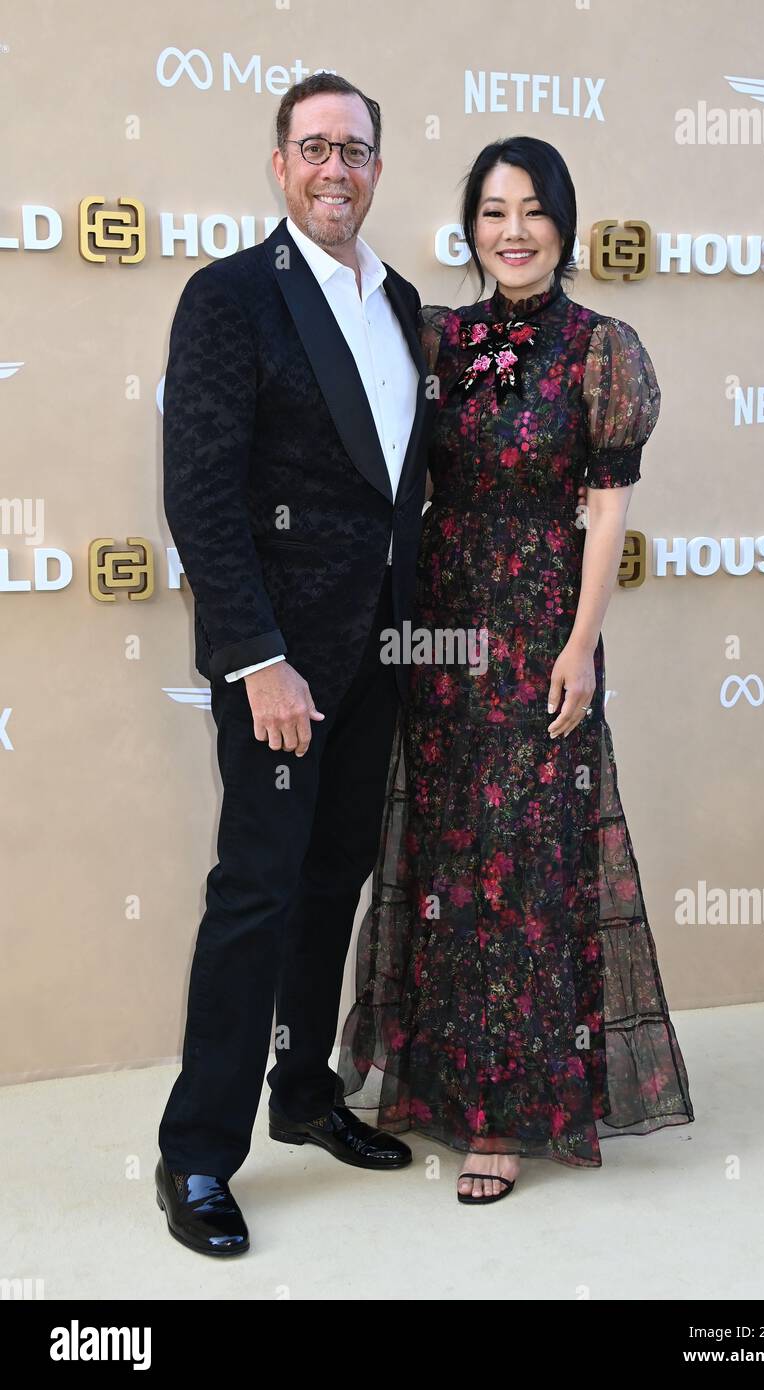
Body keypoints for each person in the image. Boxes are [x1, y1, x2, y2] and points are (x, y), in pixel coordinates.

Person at [337, 136, 695, 1204]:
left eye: (533, 211)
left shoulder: (600, 348)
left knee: (527, 862)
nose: (513, 232)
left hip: (542, 624)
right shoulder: (436, 338)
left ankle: (504, 1111)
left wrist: (580, 645)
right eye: (493, 212)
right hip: (443, 625)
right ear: (471, 228)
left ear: (564, 222)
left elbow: (606, 512)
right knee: (450, 855)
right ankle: (436, 1081)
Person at [156, 73, 433, 1255]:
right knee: (257, 893)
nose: (335, 168)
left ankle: (307, 1091)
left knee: (336, 881)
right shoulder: (229, 298)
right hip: (280, 666)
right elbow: (202, 494)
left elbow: (395, 485)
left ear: (377, 167)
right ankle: (197, 1157)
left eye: (355, 149)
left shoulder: (403, 299)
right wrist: (258, 659)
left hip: (379, 648)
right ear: (280, 165)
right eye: (314, 147)